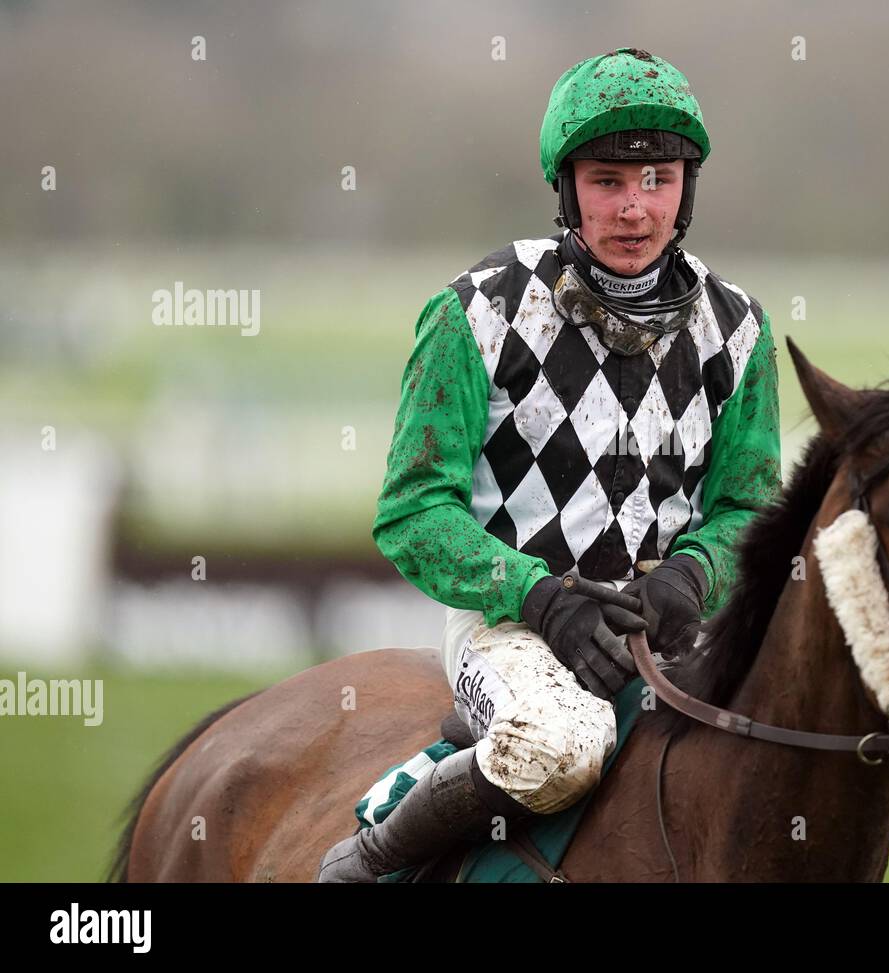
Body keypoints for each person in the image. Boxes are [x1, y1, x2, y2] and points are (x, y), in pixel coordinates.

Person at [317, 46, 781, 882]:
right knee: (564, 746)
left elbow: (751, 510)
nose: (635, 209)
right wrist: (538, 594)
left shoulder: (741, 331)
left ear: (688, 186)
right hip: (509, 623)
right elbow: (413, 510)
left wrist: (691, 576)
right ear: (566, 188)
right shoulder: (475, 310)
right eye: (607, 180)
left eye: (659, 181)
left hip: (672, 625)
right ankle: (371, 854)